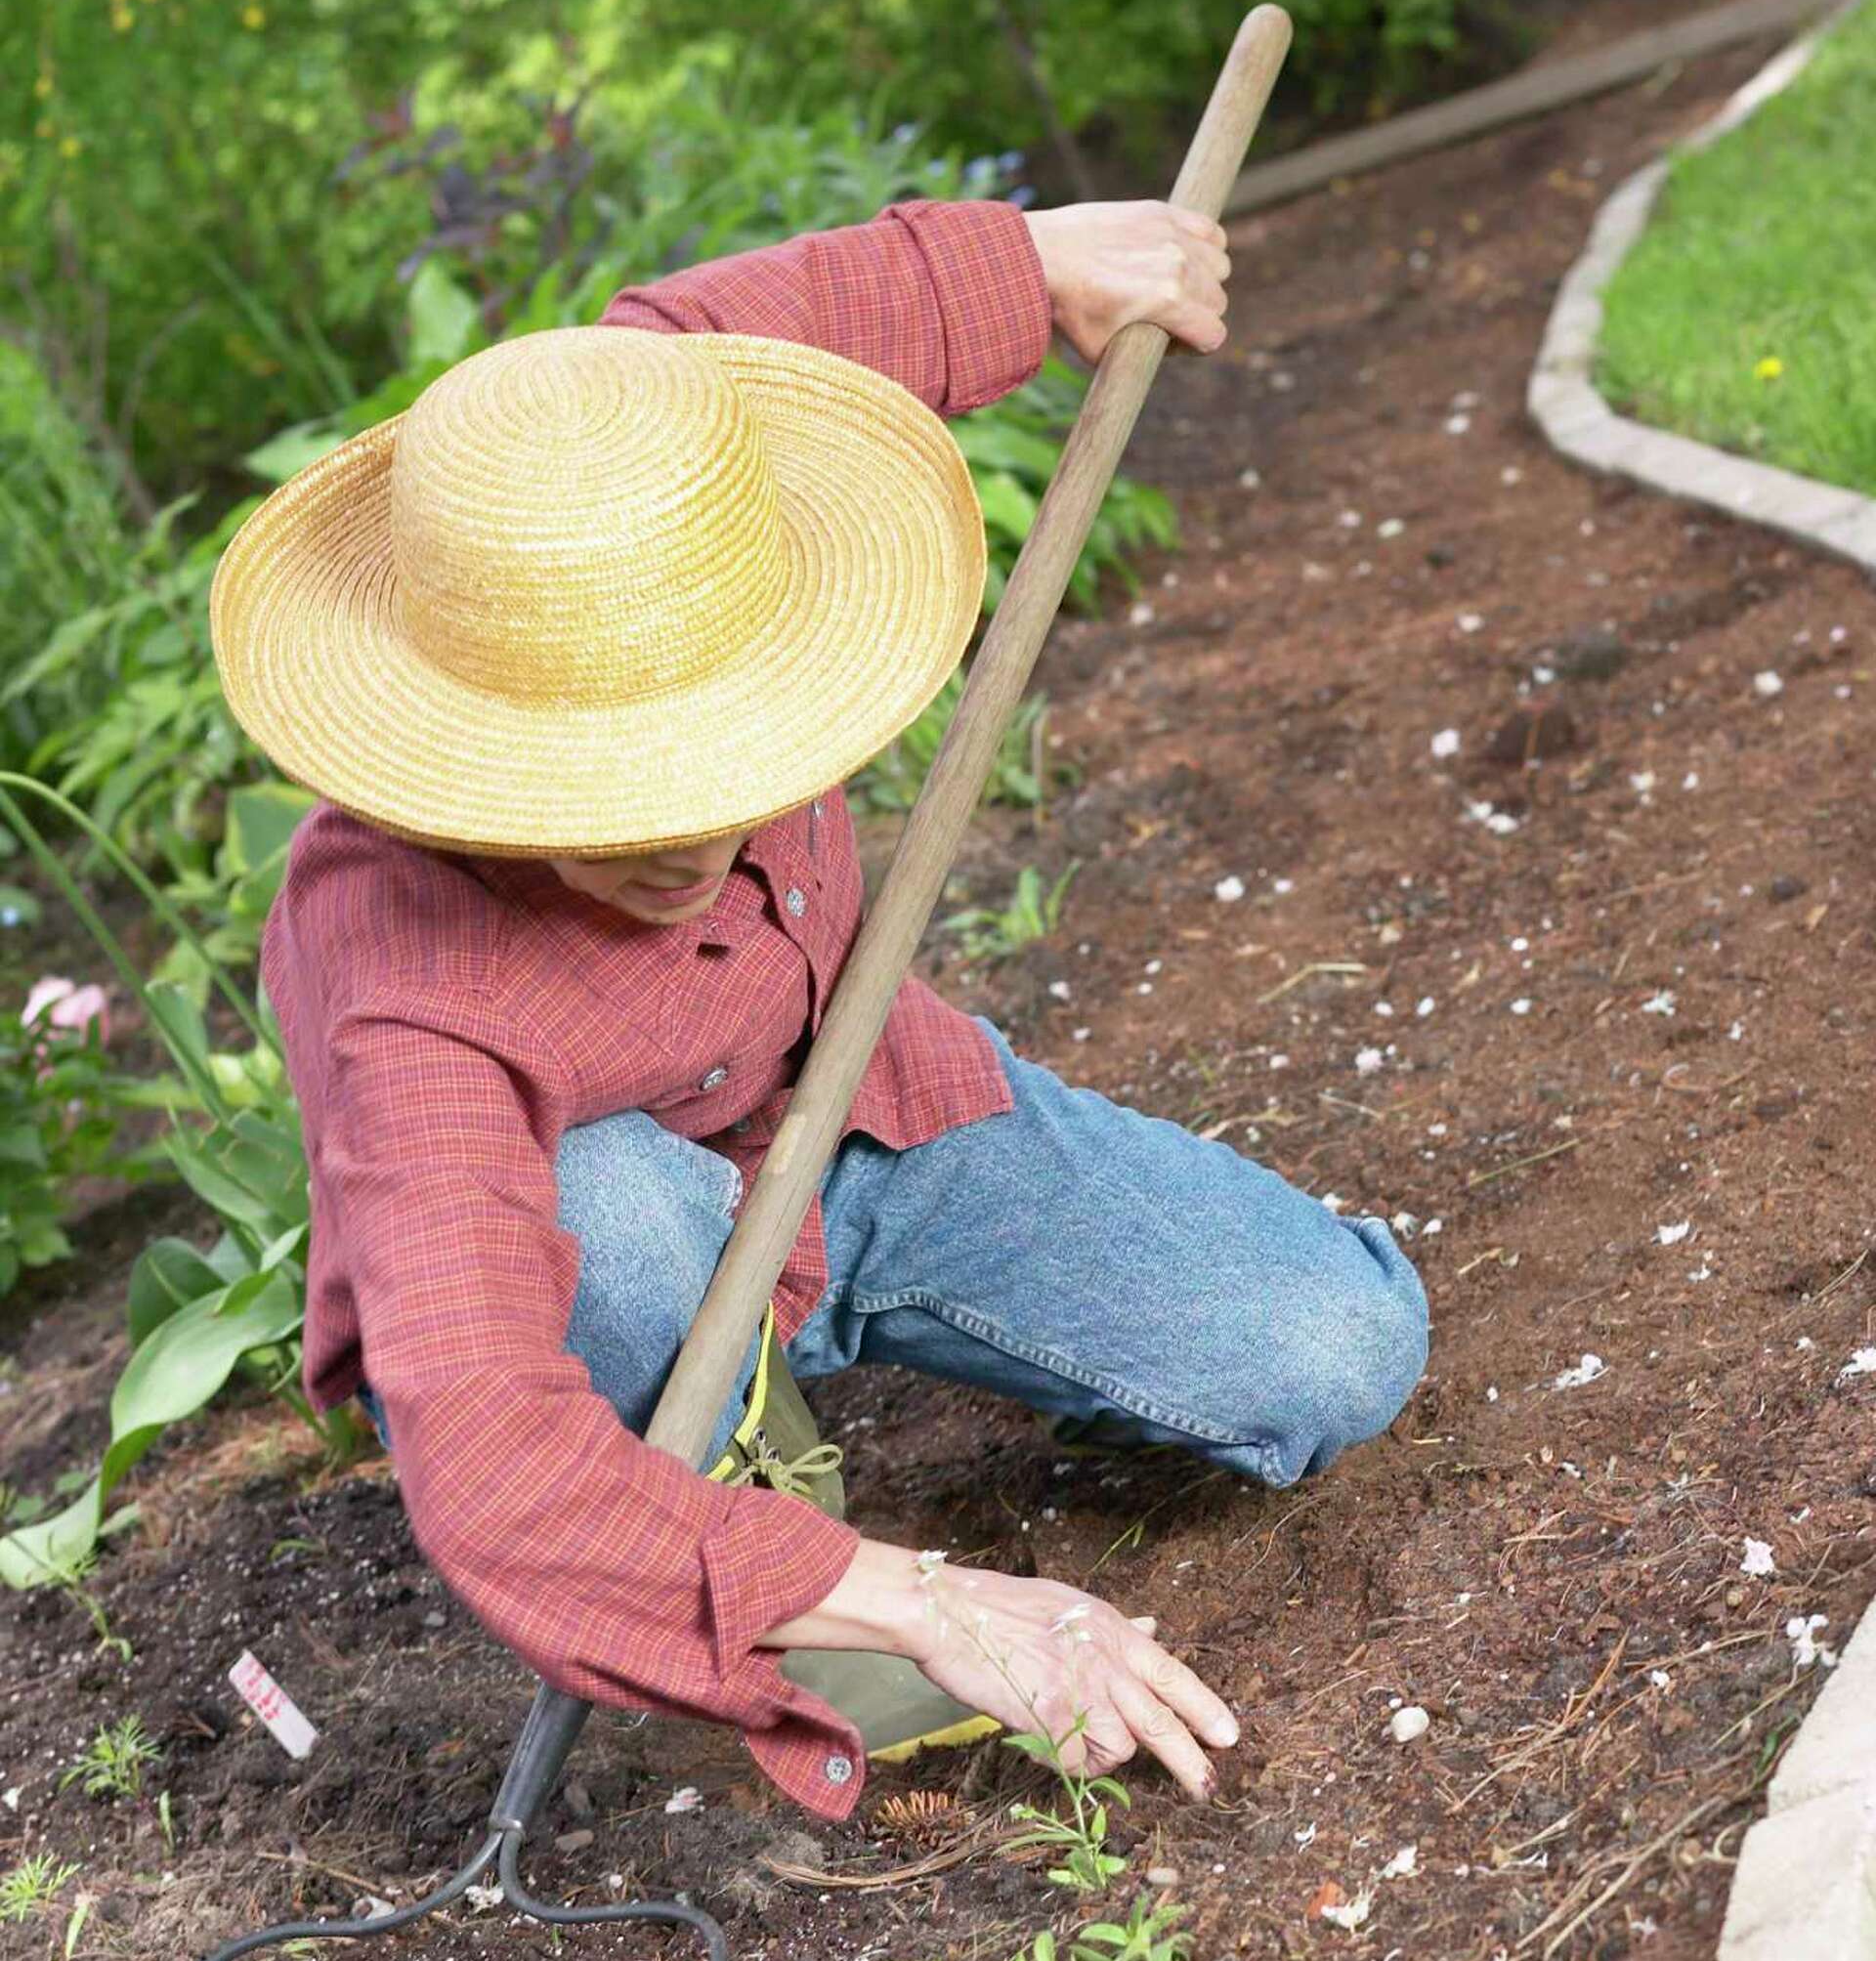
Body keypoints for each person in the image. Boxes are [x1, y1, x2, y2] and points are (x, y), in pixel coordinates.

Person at [210, 193, 1428, 1827]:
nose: (690, 846)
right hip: (614, 1249)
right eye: (609, 799)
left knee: (1335, 1344)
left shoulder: (641, 482)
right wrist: (923, 1600)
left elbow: (740, 332)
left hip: (856, 1108)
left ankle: (788, 1402)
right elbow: (490, 1457)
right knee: (618, 1213)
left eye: (727, 763)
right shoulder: (404, 977)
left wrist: (1041, 262)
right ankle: (729, 1524)